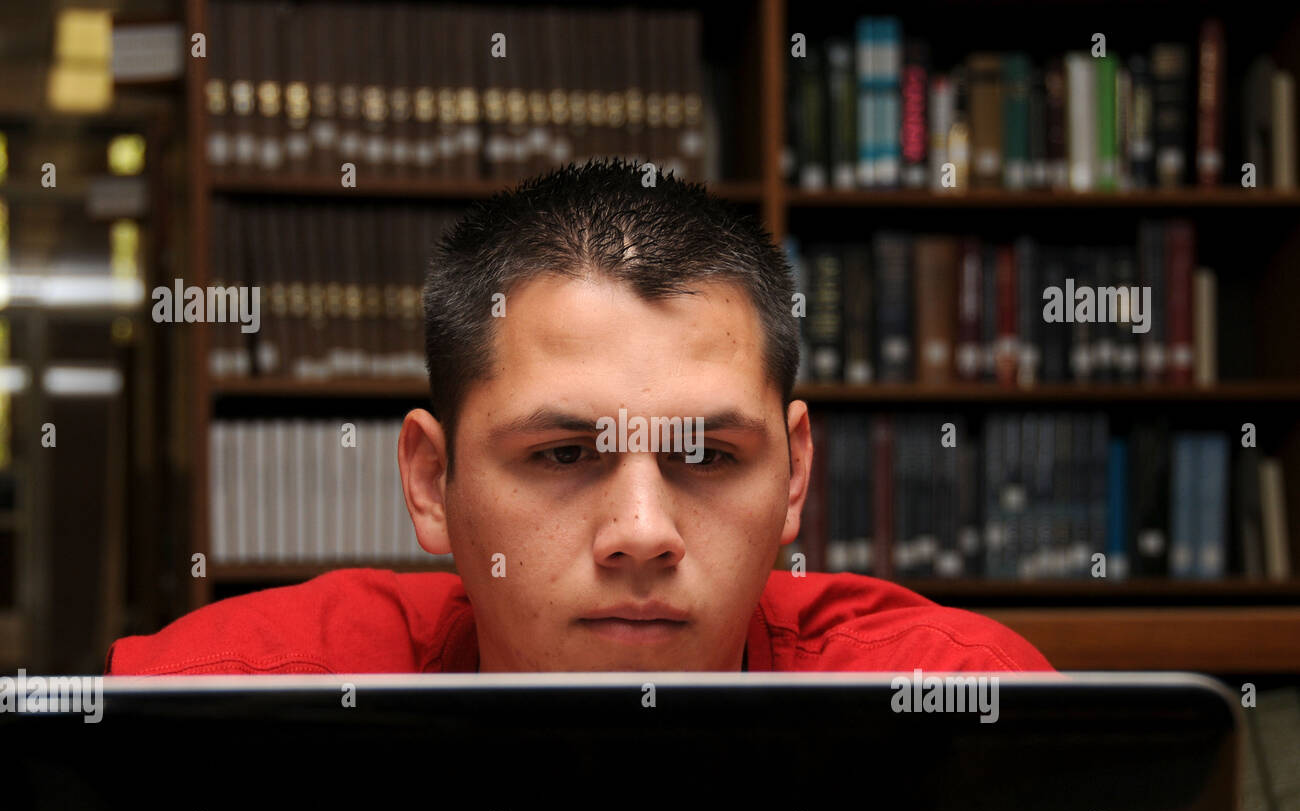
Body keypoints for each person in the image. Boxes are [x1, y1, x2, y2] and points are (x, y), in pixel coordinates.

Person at [108, 158, 1052, 675]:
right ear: (432, 483)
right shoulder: (228, 709)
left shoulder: (956, 707)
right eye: (562, 452)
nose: (641, 534)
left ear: (796, 475)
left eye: (712, 455)